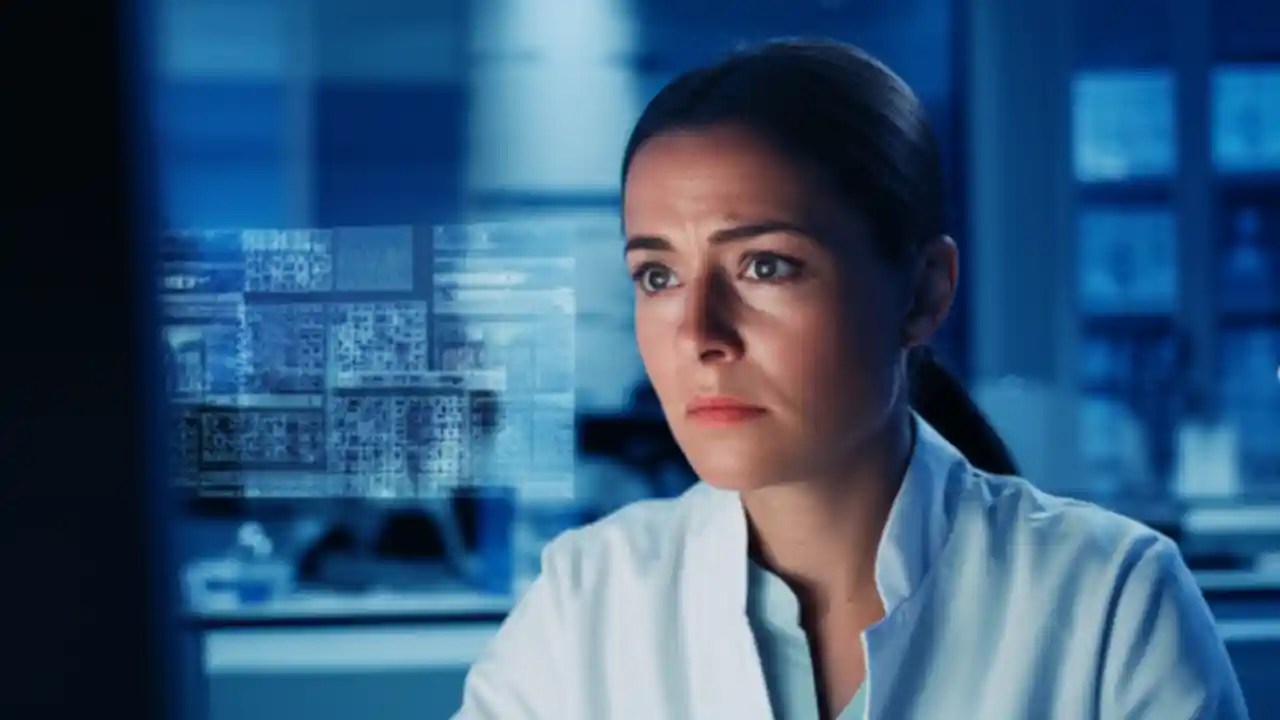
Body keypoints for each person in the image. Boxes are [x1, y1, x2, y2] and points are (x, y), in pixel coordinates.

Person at [452, 39, 1249, 719]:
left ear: (924, 291)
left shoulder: (1112, 603)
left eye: (765, 266)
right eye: (657, 276)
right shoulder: (587, 601)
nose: (698, 334)